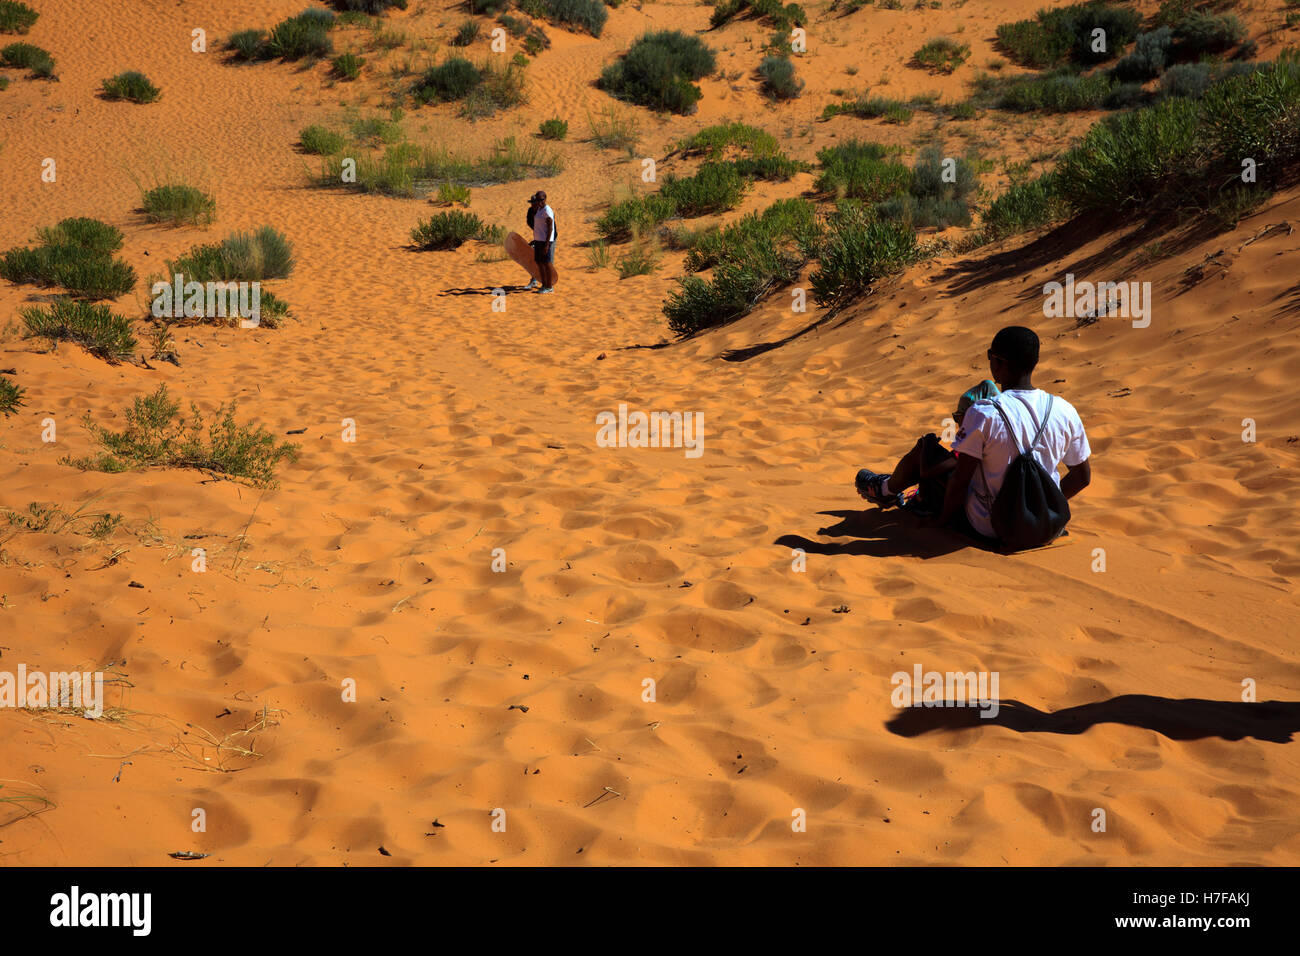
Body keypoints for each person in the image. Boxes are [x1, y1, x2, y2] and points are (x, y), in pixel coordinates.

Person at [856, 326, 1092, 543]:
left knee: (926, 449)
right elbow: (1082, 477)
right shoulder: (1064, 409)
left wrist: (943, 522)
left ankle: (884, 490)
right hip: (1044, 525)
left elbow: (961, 479)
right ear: (1035, 362)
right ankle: (892, 491)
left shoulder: (985, 412)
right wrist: (1040, 507)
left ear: (997, 363)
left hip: (989, 526)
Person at [855, 378, 1001, 514]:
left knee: (925, 454)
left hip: (976, 511)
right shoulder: (1000, 433)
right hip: (996, 509)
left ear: (970, 415)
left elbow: (927, 471)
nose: (957, 423)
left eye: (958, 417)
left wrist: (926, 447)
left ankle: (883, 489)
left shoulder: (975, 437)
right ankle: (891, 488)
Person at [525, 191, 557, 294]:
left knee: (547, 263)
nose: (538, 203)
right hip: (539, 240)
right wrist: (536, 239)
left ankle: (549, 286)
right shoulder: (536, 211)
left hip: (546, 241)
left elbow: (550, 228)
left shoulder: (547, 211)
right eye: (536, 201)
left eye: (540, 200)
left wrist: (547, 244)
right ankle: (542, 284)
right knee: (539, 263)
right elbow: (536, 227)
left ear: (545, 199)